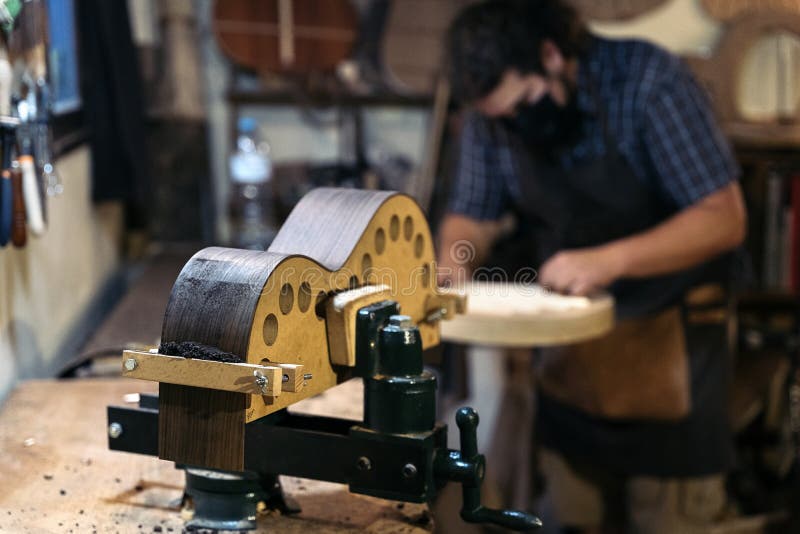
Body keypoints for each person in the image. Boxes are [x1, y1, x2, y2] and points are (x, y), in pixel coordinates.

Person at [438, 1, 748, 533]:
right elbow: (471, 215)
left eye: (522, 105)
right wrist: (453, 266)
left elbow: (724, 218)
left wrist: (609, 260)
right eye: (499, 117)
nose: (513, 124)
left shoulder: (649, 81)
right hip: (572, 363)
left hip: (668, 348)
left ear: (552, 55)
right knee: (570, 517)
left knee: (671, 521)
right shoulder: (495, 118)